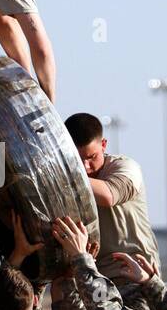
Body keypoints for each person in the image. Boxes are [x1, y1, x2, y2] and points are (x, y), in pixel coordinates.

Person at [64, 113, 160, 287]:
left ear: (103, 145)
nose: (85, 166)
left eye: (92, 157)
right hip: (96, 278)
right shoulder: (66, 180)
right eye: (77, 159)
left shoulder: (125, 167)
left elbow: (109, 196)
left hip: (136, 276)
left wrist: (65, 174)